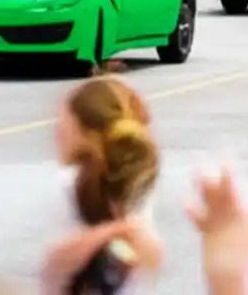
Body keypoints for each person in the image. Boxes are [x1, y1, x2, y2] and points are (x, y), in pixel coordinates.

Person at [44, 77, 161, 294]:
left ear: (84, 131)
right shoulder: (137, 180)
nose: (56, 133)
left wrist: (104, 237)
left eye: (62, 123)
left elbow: (56, 270)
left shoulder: (66, 182)